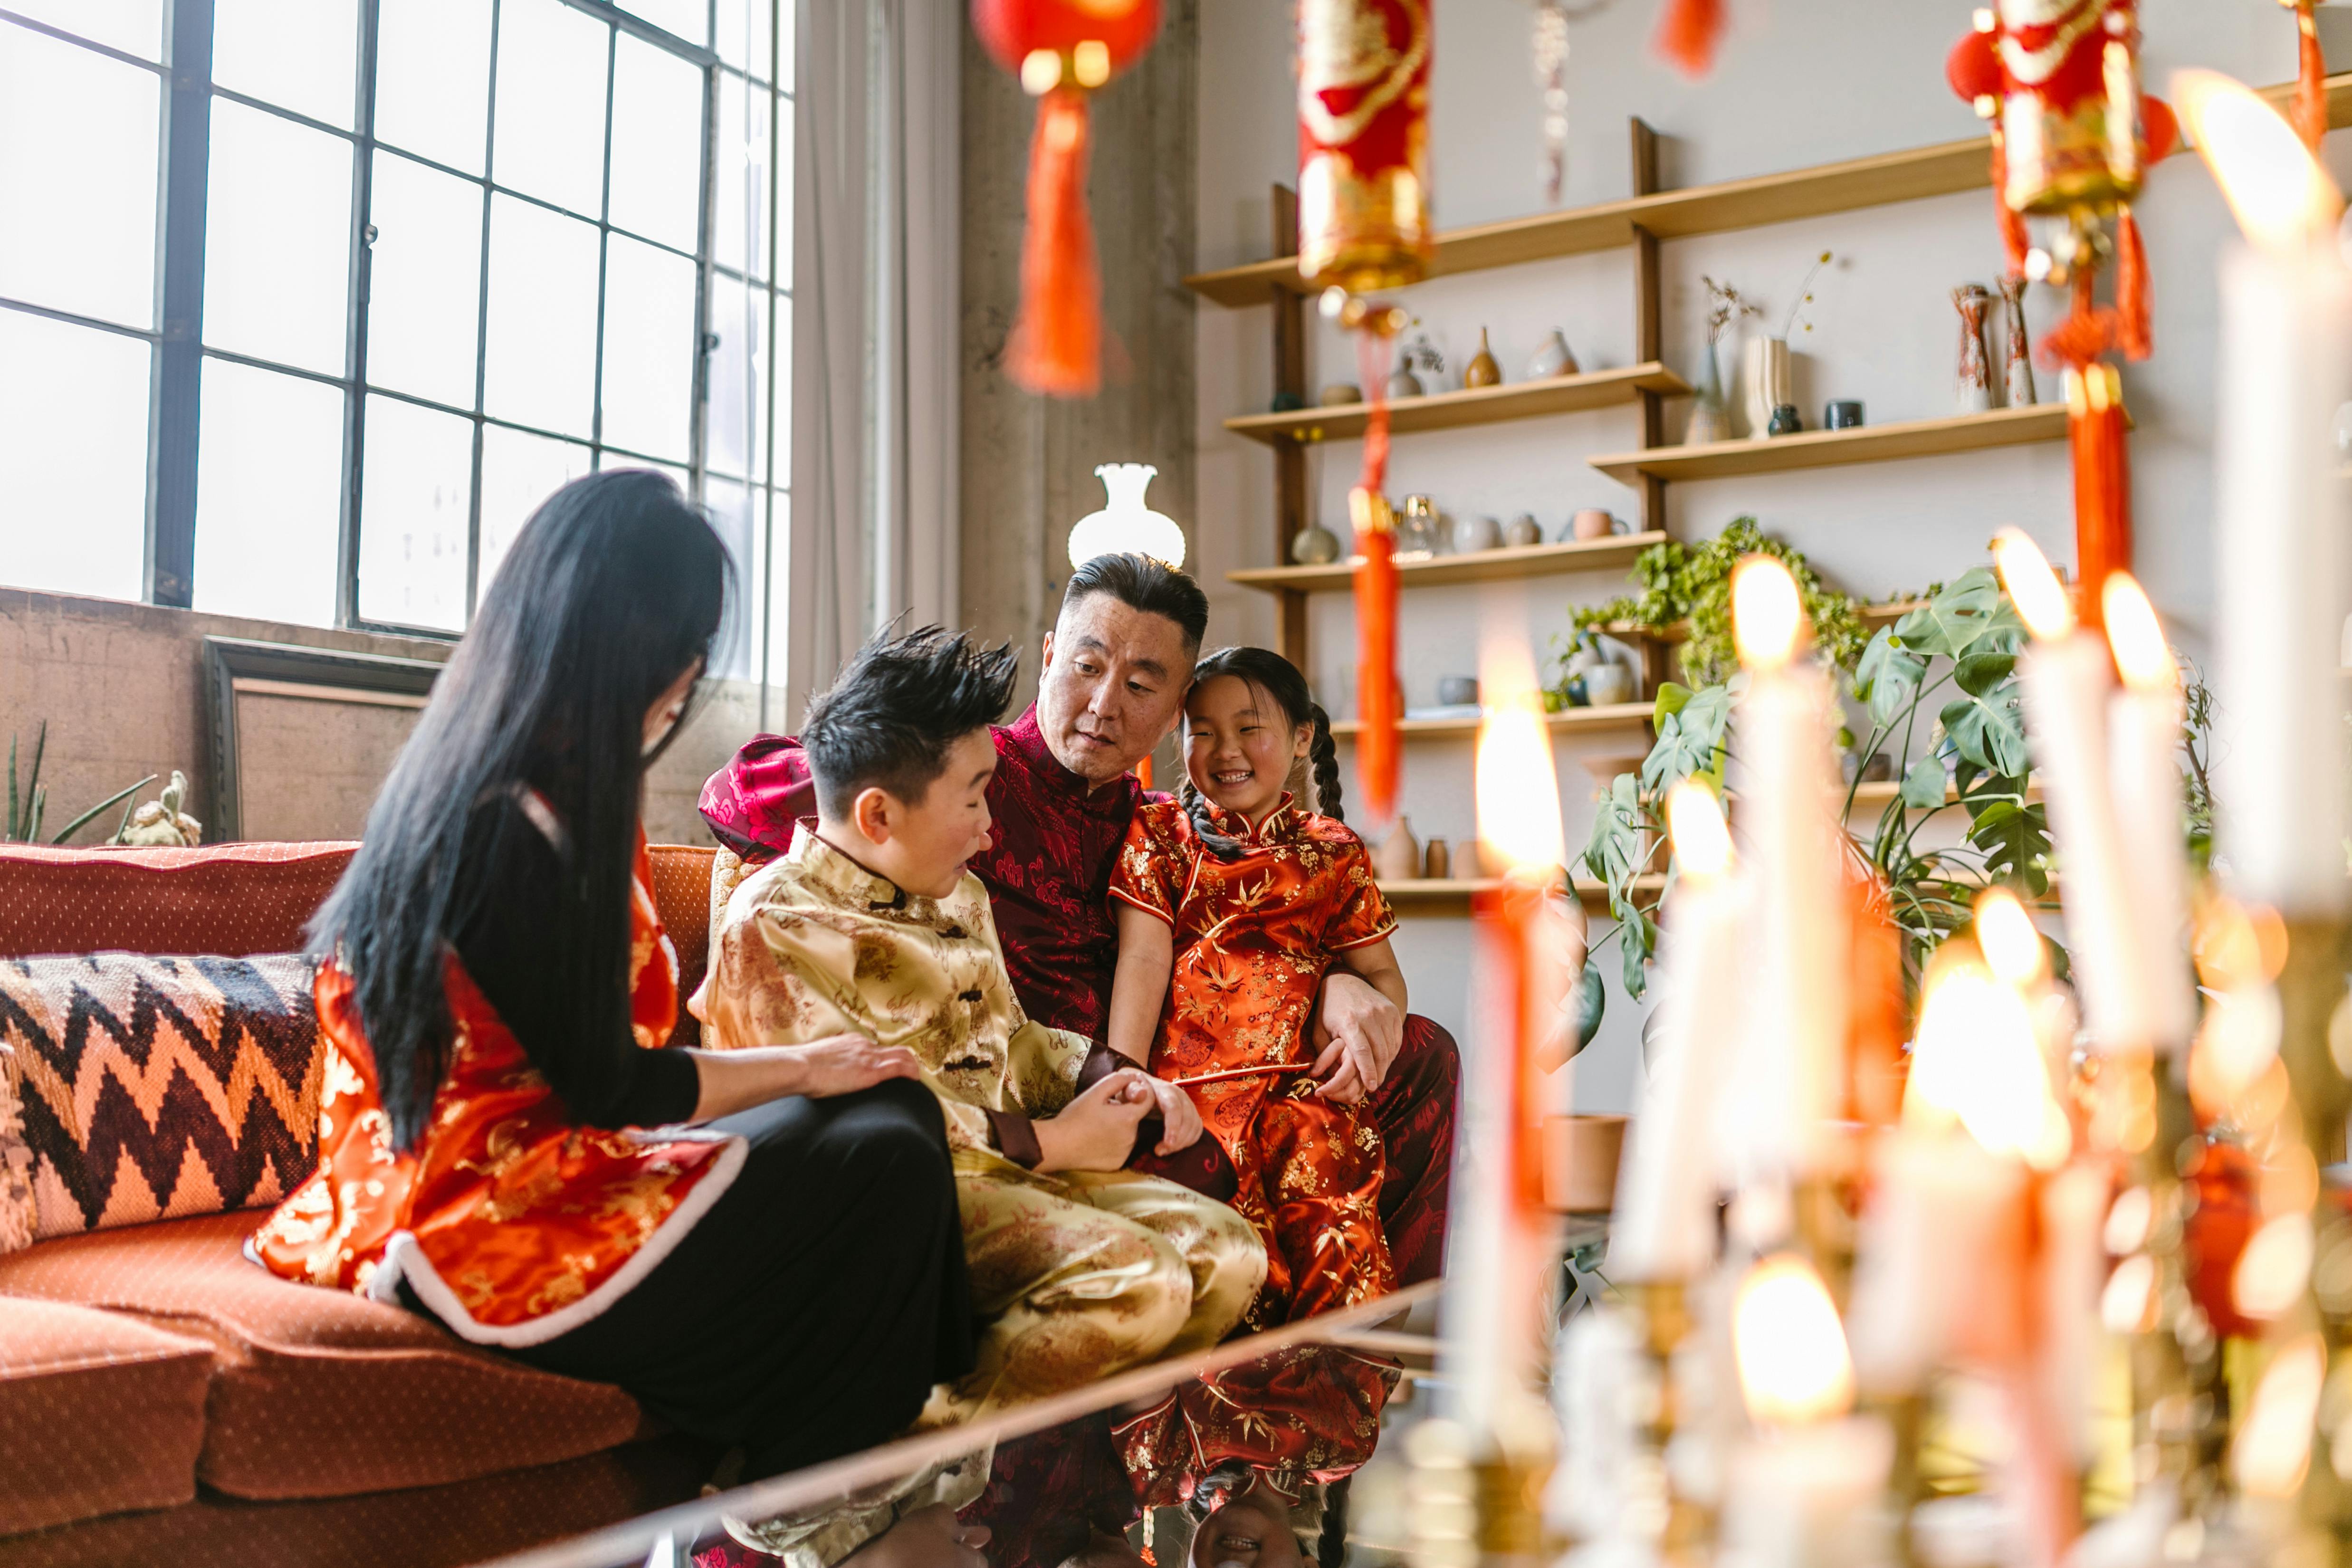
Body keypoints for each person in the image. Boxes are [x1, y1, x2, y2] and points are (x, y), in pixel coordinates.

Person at [249, 471, 972, 1487]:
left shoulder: (541, 783)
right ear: (632, 654)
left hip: (549, 1160)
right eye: (685, 653)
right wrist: (804, 1064)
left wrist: (816, 1071)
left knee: (896, 1112)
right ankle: (832, 1488)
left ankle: (848, 1472)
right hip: (480, 1218)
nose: (687, 679)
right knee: (883, 1161)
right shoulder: (508, 824)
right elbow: (611, 1086)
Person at [697, 554, 1460, 1284]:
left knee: (1421, 1052)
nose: (1102, 706)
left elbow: (1255, 931)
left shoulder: (1167, 828)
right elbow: (737, 793)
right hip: (1013, 1091)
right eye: (1087, 667)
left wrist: (1334, 980)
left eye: (1140, 685)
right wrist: (865, 773)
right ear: (1051, 654)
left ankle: (1368, 1365)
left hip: (1167, 1078)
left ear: (1175, 713)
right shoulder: (961, 780)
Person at [691, 626, 1264, 1423]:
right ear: (879, 815)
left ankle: (1041, 1457)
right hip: (885, 1207)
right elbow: (846, 1125)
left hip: (1005, 1177)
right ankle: (892, 1451)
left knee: (1229, 1256)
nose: (991, 827)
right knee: (1143, 1281)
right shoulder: (777, 920)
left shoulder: (958, 893)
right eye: (973, 799)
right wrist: (1053, 1145)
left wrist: (1114, 1077)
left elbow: (1014, 1039)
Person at [1105, 647, 1405, 1329]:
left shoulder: (1333, 851)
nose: (1224, 750)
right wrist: (1123, 1088)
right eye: (1202, 730)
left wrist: (1371, 1042)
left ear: (1302, 738)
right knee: (1230, 1279)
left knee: (1334, 1258)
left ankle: (1321, 1409)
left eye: (1249, 728)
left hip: (1305, 1101)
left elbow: (1382, 975)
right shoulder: (1160, 835)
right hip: (1192, 1095)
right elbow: (1143, 961)